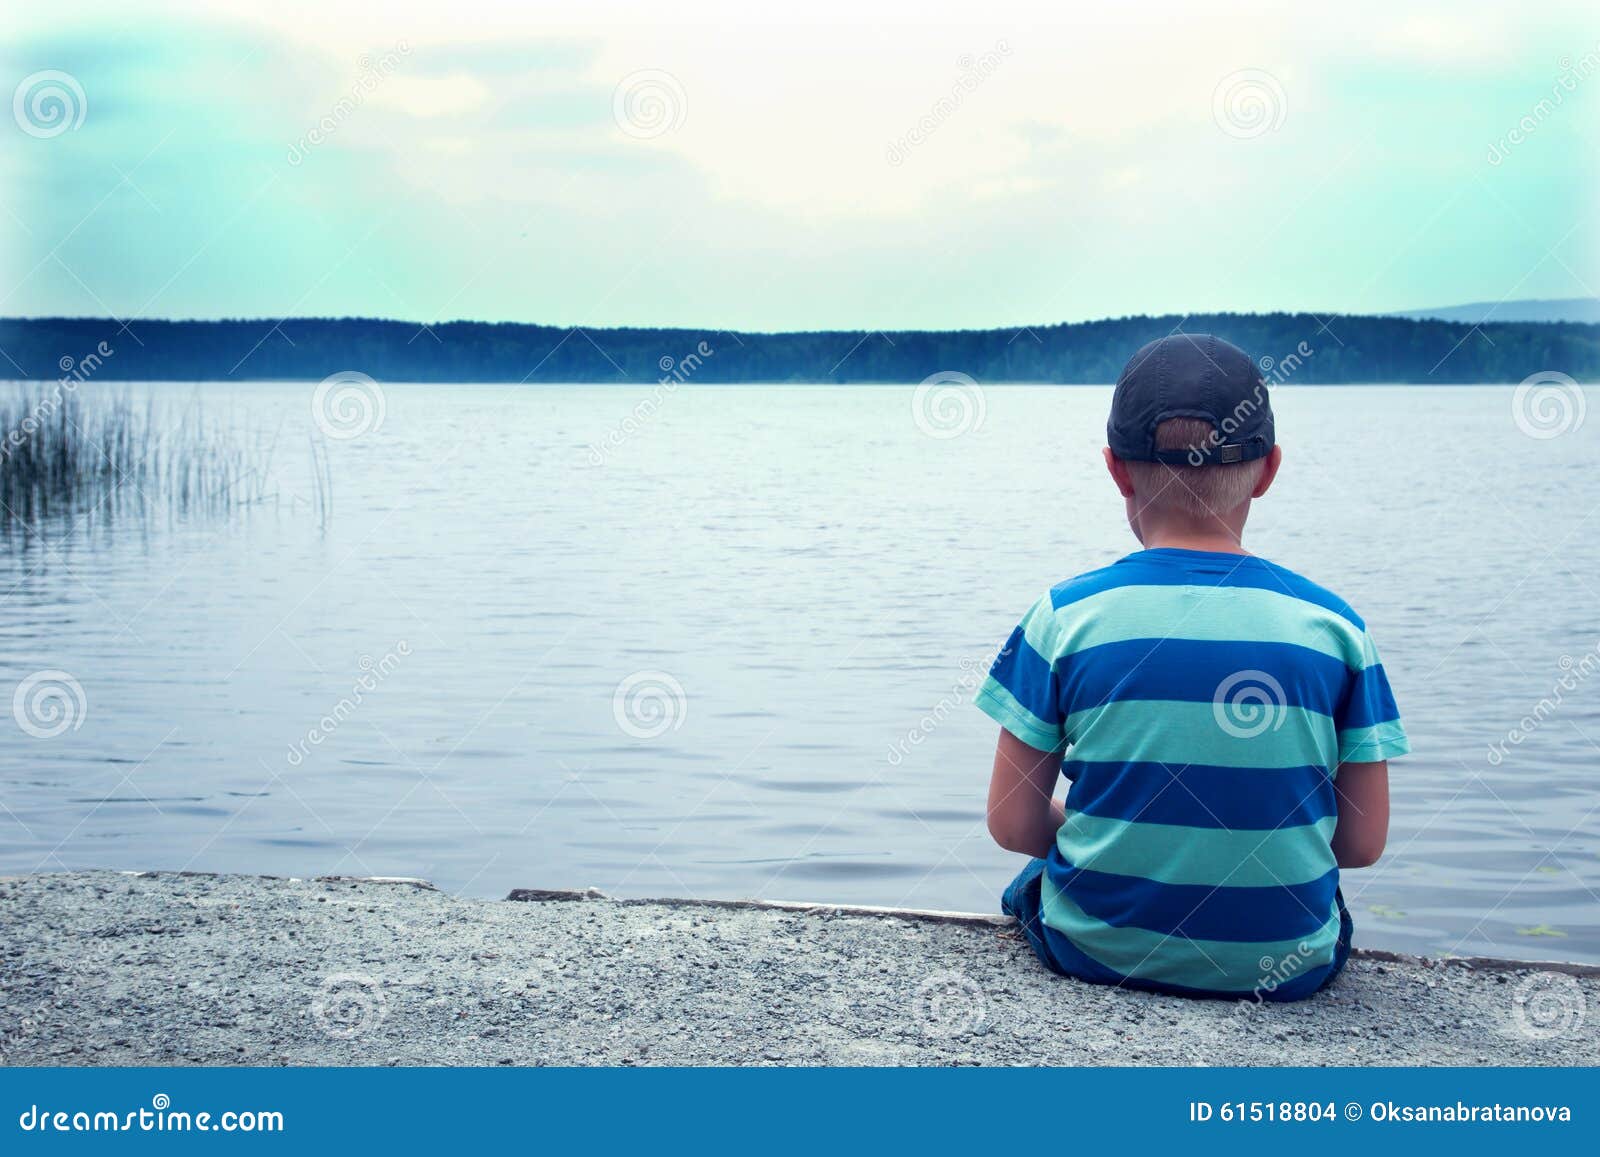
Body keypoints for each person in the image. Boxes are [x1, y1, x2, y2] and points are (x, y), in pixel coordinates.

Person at [976, 333, 1407, 1000]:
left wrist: (1108, 827)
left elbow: (1011, 824)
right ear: (1268, 471)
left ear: (1116, 468)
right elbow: (1361, 842)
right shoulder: (1336, 629)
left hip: (1096, 949)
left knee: (1030, 885)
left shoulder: (1063, 617)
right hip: (1288, 965)